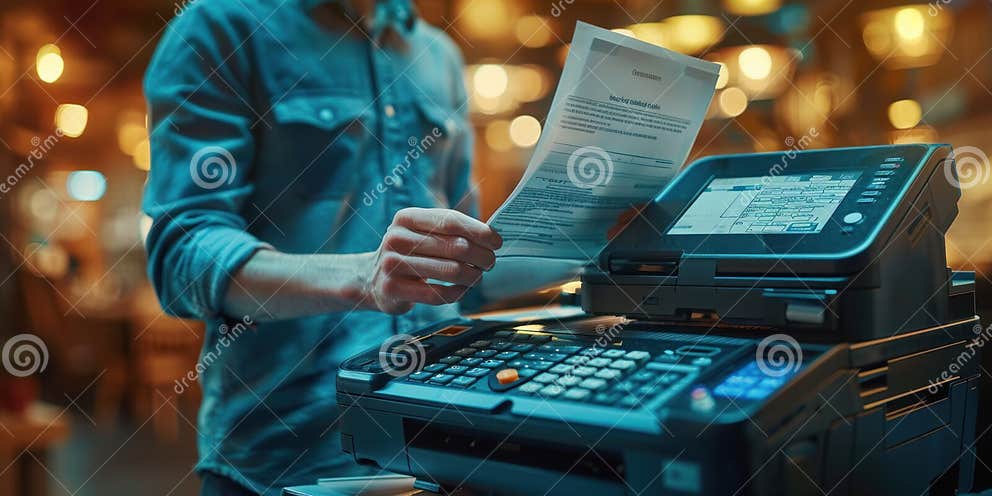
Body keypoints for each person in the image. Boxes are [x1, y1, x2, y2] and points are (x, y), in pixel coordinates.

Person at [142, 0, 515, 494]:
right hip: (283, 463)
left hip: (439, 452)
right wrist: (364, 277)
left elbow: (463, 265)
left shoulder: (439, 55)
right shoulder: (219, 27)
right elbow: (182, 254)